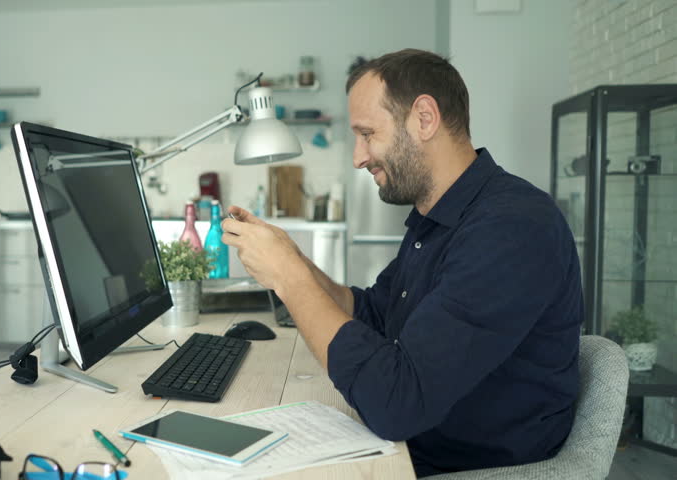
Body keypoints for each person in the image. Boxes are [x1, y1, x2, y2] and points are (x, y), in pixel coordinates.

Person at [221, 49, 583, 477]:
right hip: (413, 447)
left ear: (424, 118)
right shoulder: (438, 217)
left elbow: (397, 405)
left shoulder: (512, 228)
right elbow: (375, 313)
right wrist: (292, 256)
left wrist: (290, 278)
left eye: (368, 133)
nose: (358, 157)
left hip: (463, 468)